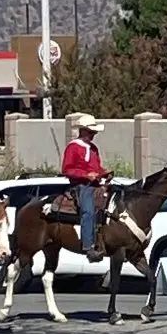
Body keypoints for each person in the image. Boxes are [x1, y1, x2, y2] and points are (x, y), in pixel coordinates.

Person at [61, 112, 107, 263]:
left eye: (94, 132)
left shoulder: (93, 148)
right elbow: (67, 169)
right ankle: (88, 246)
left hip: (96, 184)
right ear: (83, 131)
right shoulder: (73, 147)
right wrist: (86, 175)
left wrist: (104, 172)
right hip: (81, 185)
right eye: (91, 132)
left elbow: (97, 167)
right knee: (88, 211)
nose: (93, 135)